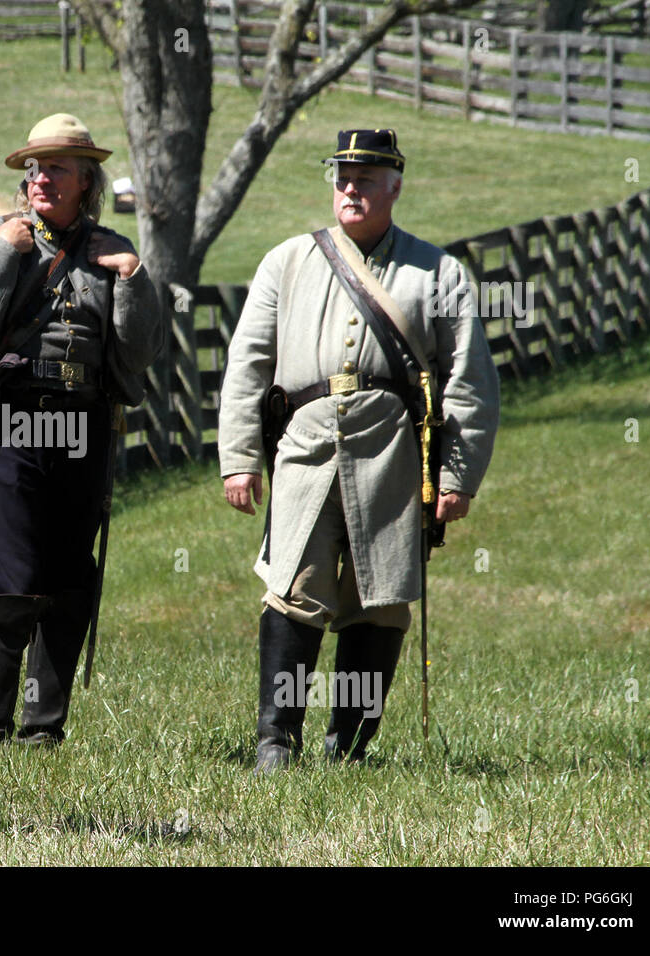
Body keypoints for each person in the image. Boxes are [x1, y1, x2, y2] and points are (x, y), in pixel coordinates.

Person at [218, 130, 500, 774]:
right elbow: (248, 365)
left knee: (381, 601)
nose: (351, 188)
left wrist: (456, 475)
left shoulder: (439, 271)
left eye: (366, 178)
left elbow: (471, 383)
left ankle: (346, 747)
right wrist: (239, 456)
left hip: (395, 455)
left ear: (395, 186)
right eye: (342, 176)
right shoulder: (286, 261)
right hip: (305, 447)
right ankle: (276, 741)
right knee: (293, 588)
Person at [0, 114, 163, 746]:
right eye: (35, 168)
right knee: (13, 577)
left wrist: (132, 280)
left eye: (57, 168)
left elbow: (139, 352)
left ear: (85, 180)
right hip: (8, 419)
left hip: (83, 423)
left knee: (69, 581)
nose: (41, 178)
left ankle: (43, 731)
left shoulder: (112, 250)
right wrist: (3, 259)